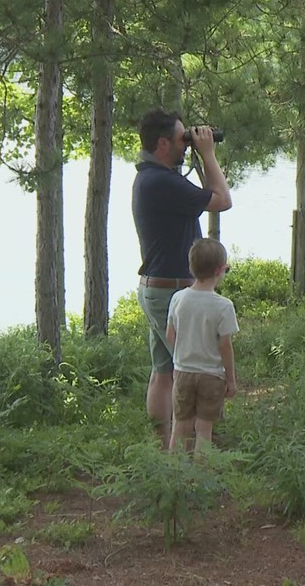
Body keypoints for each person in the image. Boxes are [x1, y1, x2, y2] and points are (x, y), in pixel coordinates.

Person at [132, 108, 232, 447]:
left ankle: (161, 446)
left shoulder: (150, 177)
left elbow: (208, 197)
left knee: (163, 370)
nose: (185, 145)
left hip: (157, 289)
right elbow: (222, 200)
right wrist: (208, 154)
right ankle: (185, 447)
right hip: (170, 291)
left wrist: (202, 155)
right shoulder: (163, 182)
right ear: (162, 144)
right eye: (181, 139)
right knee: (188, 369)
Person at [165, 238, 238, 453]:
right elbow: (225, 346)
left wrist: (181, 355)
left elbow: (170, 336)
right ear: (219, 270)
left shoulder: (178, 298)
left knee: (180, 424)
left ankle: (174, 472)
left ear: (191, 267)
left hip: (183, 371)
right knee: (204, 428)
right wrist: (231, 379)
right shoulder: (224, 306)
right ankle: (201, 477)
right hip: (211, 375)